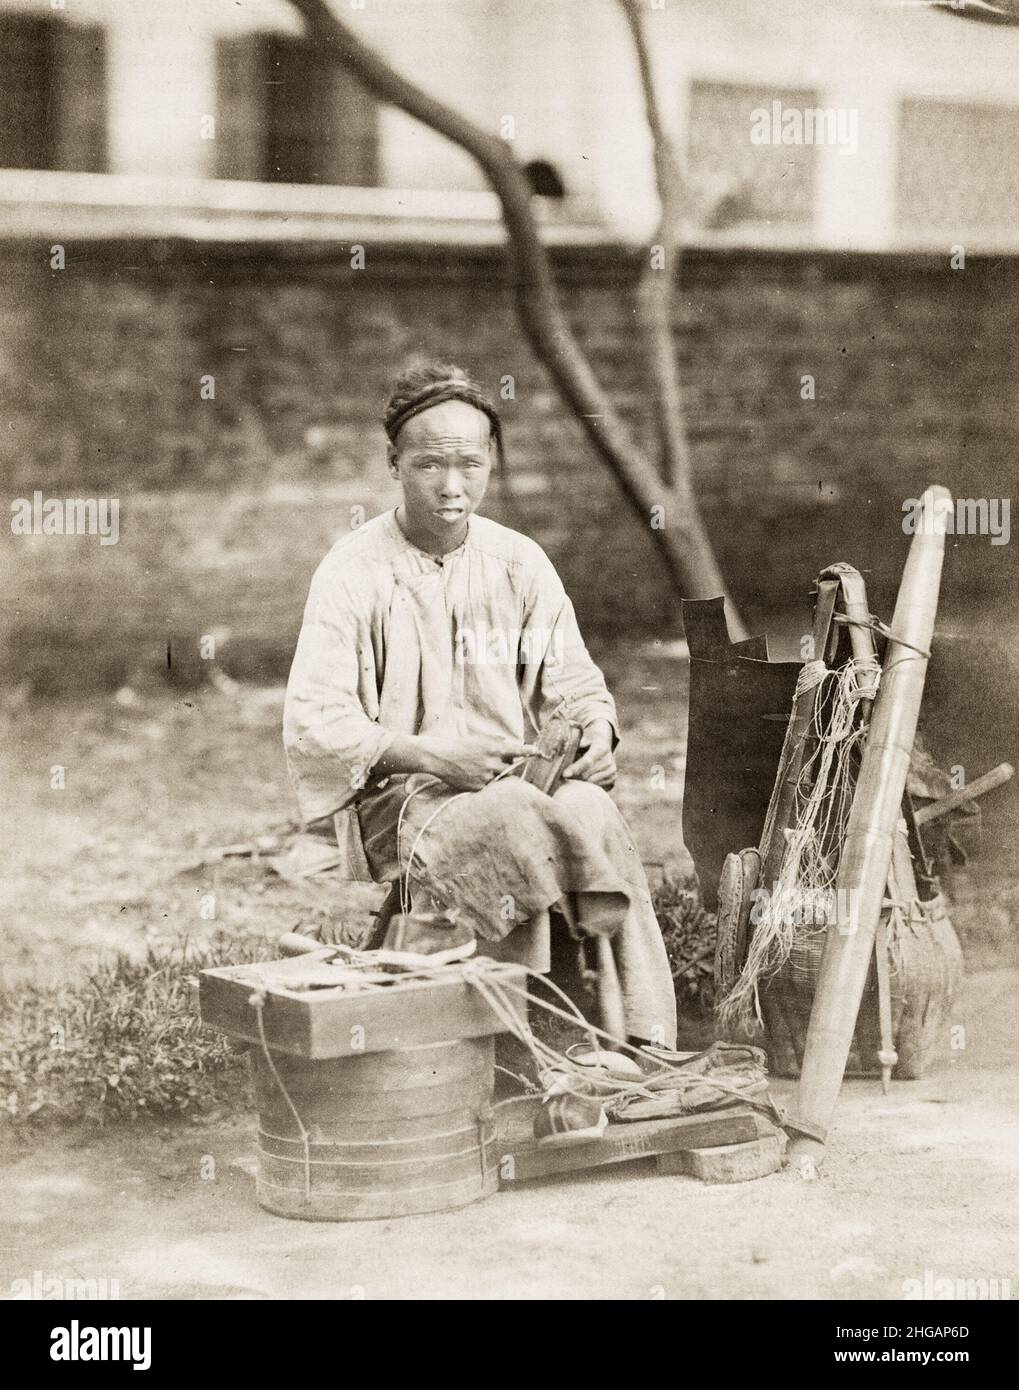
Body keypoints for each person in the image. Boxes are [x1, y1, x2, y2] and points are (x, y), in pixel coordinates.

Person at [283, 363, 676, 1049]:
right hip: (399, 804)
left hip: (510, 782)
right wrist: (434, 754)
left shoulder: (518, 563)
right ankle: (528, 1041)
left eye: (469, 461)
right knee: (514, 819)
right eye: (429, 463)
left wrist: (595, 727)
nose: (451, 484)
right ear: (393, 462)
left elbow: (575, 681)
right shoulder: (352, 570)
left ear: (491, 460)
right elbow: (316, 723)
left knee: (588, 807)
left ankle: (637, 1040)